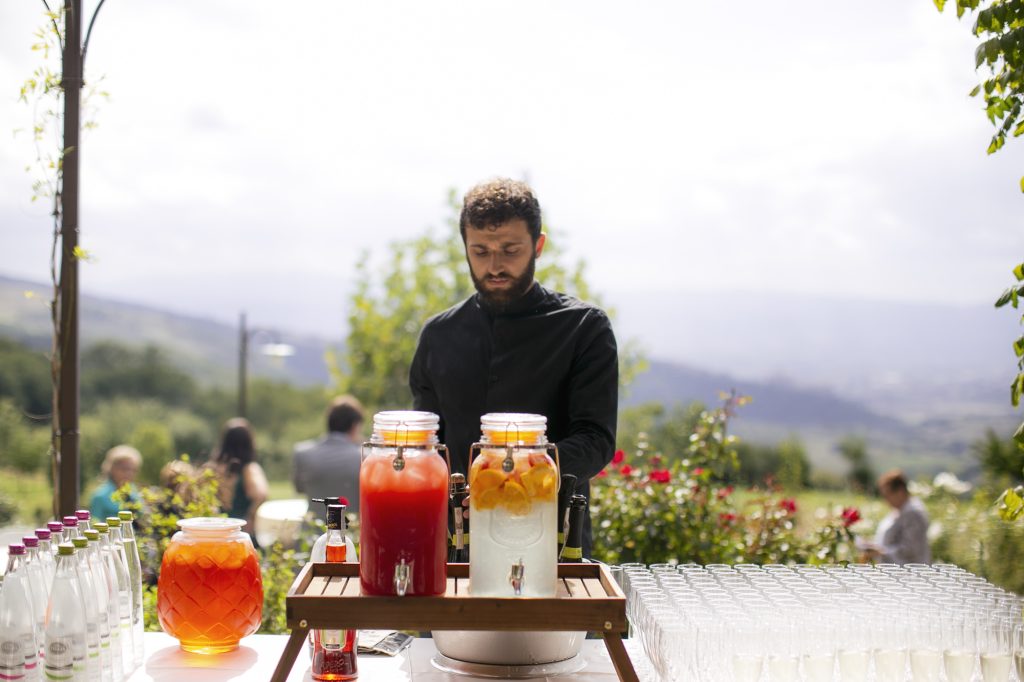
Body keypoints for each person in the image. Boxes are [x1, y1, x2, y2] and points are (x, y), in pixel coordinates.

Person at [409, 177, 619, 558]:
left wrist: (513, 476)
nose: (495, 266)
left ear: (538, 245)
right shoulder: (438, 335)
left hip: (553, 548)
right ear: (465, 249)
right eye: (481, 251)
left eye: (510, 250)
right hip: (457, 553)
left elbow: (595, 440)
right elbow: (426, 446)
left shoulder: (584, 328)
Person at [293, 395, 366, 520]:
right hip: (350, 535)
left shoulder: (302, 453)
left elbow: (300, 488)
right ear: (355, 425)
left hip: (312, 534)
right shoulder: (365, 457)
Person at [207, 418, 269, 545]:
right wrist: (250, 517)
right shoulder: (249, 469)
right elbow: (261, 495)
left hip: (216, 530)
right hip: (241, 532)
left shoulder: (212, 468)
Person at [864, 469, 931, 564]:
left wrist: (881, 552)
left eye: (887, 495)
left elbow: (911, 550)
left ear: (900, 491)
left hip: (909, 573)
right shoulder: (899, 509)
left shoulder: (913, 513)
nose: (886, 500)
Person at [90, 444, 142, 521]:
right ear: (111, 469)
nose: (129, 473)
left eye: (133, 470)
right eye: (124, 469)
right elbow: (94, 524)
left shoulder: (136, 494)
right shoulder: (100, 496)